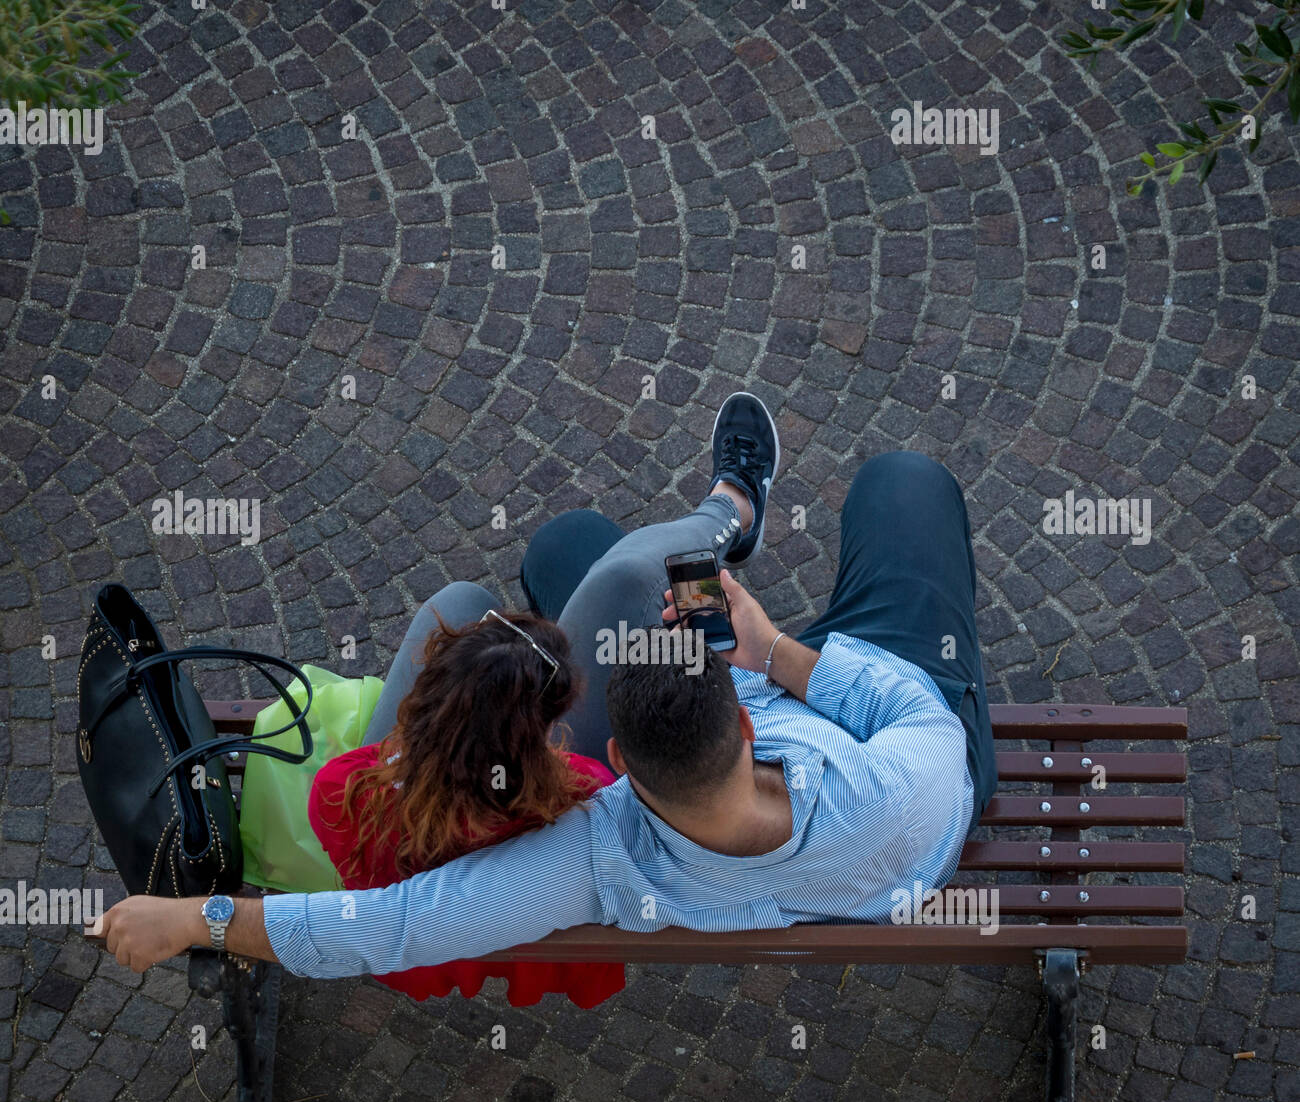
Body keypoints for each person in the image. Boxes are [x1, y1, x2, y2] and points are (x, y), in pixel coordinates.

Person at [93, 392, 998, 976]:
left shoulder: (603, 852)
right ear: (748, 724)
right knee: (901, 485)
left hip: (743, 707)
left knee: (570, 552)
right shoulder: (898, 791)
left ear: (616, 762)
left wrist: (195, 921)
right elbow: (916, 714)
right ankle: (731, 515)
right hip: (885, 708)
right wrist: (776, 655)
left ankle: (726, 518)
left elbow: (393, 927)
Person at [307, 609, 623, 1008]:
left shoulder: (340, 789)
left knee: (463, 597)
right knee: (611, 586)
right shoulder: (586, 793)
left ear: (428, 694)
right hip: (531, 946)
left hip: (420, 956)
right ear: (533, 736)